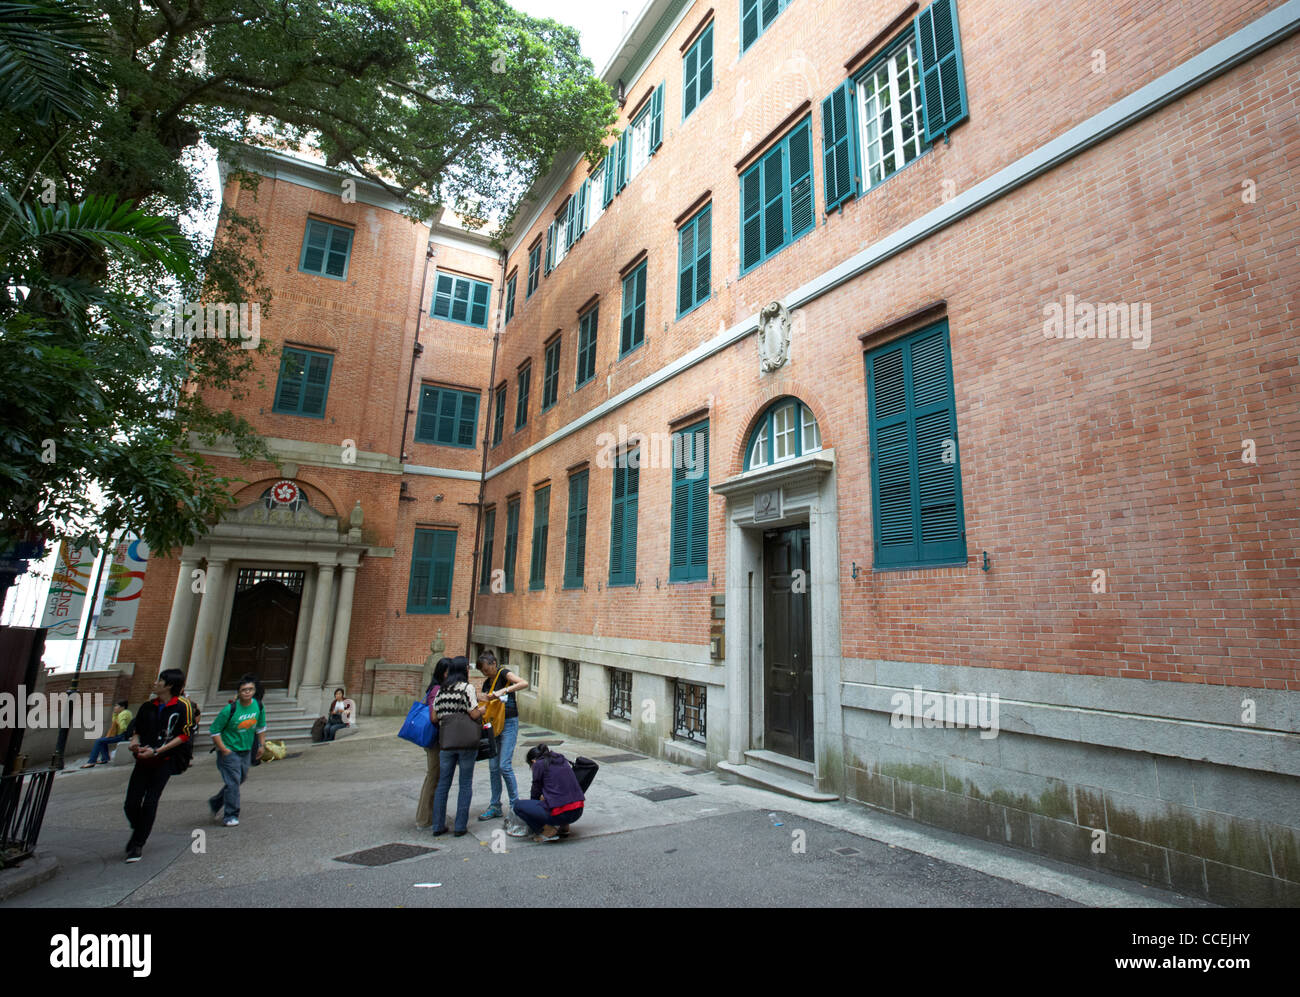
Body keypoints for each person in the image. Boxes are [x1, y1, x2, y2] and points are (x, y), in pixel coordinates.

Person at [123, 669, 197, 862]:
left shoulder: (183, 706)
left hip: (164, 760)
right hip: (142, 760)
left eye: (159, 680)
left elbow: (185, 734)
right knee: (130, 803)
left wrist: (158, 751)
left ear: (169, 685)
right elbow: (137, 730)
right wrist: (134, 742)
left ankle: (138, 844)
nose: (155, 683)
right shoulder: (148, 706)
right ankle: (140, 829)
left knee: (150, 801)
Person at [430, 655, 485, 837]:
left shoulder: (441, 690)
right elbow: (474, 714)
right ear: (463, 671)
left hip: (446, 742)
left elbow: (434, 717)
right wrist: (483, 709)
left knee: (443, 784)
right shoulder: (466, 688)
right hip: (466, 741)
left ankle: (437, 825)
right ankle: (460, 825)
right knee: (465, 783)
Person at [475, 650, 529, 827]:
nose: (485, 673)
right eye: (483, 671)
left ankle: (515, 805)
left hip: (508, 723)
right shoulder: (486, 683)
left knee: (504, 765)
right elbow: (485, 706)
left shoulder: (503, 673)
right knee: (493, 767)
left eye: (486, 669)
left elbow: (523, 683)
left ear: (493, 664)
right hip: (492, 725)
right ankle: (495, 805)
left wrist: (502, 690)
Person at [207, 674, 267, 828]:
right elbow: (214, 730)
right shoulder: (230, 709)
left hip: (246, 749)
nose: (247, 692)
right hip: (229, 750)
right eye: (244, 690)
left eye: (250, 689)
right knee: (233, 782)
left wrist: (261, 745)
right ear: (238, 692)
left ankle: (216, 802)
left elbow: (261, 726)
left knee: (240, 778)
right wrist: (223, 749)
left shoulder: (258, 706)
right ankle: (231, 815)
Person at [513, 744, 585, 843]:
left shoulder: (539, 764)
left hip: (562, 814)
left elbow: (535, 791)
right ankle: (564, 827)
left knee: (518, 806)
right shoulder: (561, 760)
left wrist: (534, 811)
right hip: (578, 811)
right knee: (555, 800)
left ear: (533, 761)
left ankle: (547, 829)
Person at [415, 658, 450, 829]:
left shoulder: (436, 688)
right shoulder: (437, 690)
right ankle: (424, 818)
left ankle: (430, 815)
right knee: (433, 777)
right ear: (444, 673)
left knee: (434, 776)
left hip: (435, 738)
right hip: (434, 739)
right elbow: (434, 716)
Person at [82, 699, 132, 767]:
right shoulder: (125, 713)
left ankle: (91, 761)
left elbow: (123, 727)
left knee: (98, 741)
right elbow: (114, 721)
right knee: (102, 741)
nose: (115, 707)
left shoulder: (123, 714)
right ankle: (105, 759)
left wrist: (120, 721)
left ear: (122, 707)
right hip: (123, 735)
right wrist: (115, 714)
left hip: (123, 735)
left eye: (116, 706)